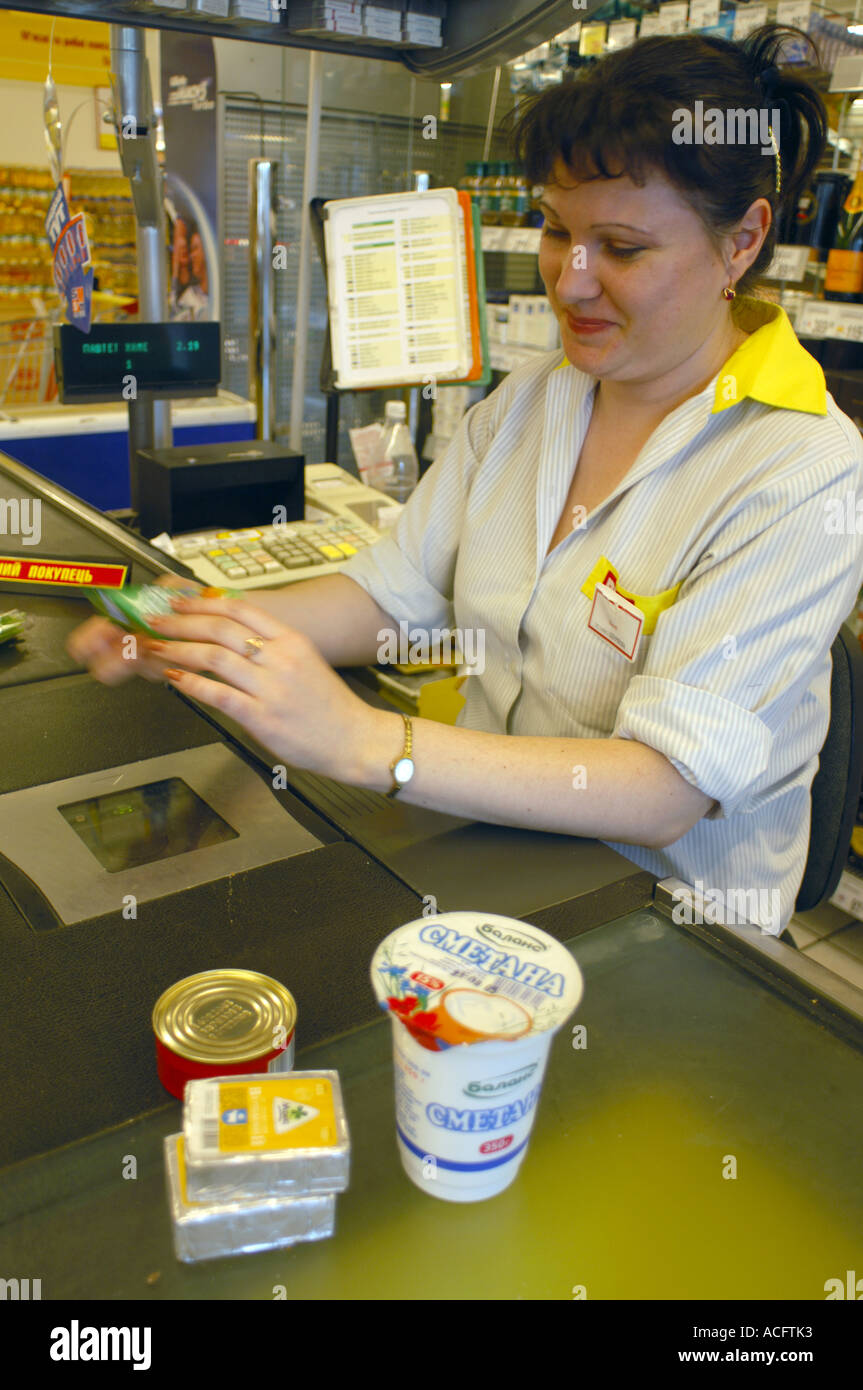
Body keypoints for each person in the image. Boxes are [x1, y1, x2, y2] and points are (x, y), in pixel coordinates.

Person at [69, 25, 863, 937]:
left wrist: (364, 740)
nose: (570, 281)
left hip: (661, 929)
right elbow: (394, 594)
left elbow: (661, 792)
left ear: (742, 242)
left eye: (622, 248)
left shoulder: (800, 469)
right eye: (555, 228)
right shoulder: (534, 399)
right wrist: (210, 630)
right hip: (488, 862)